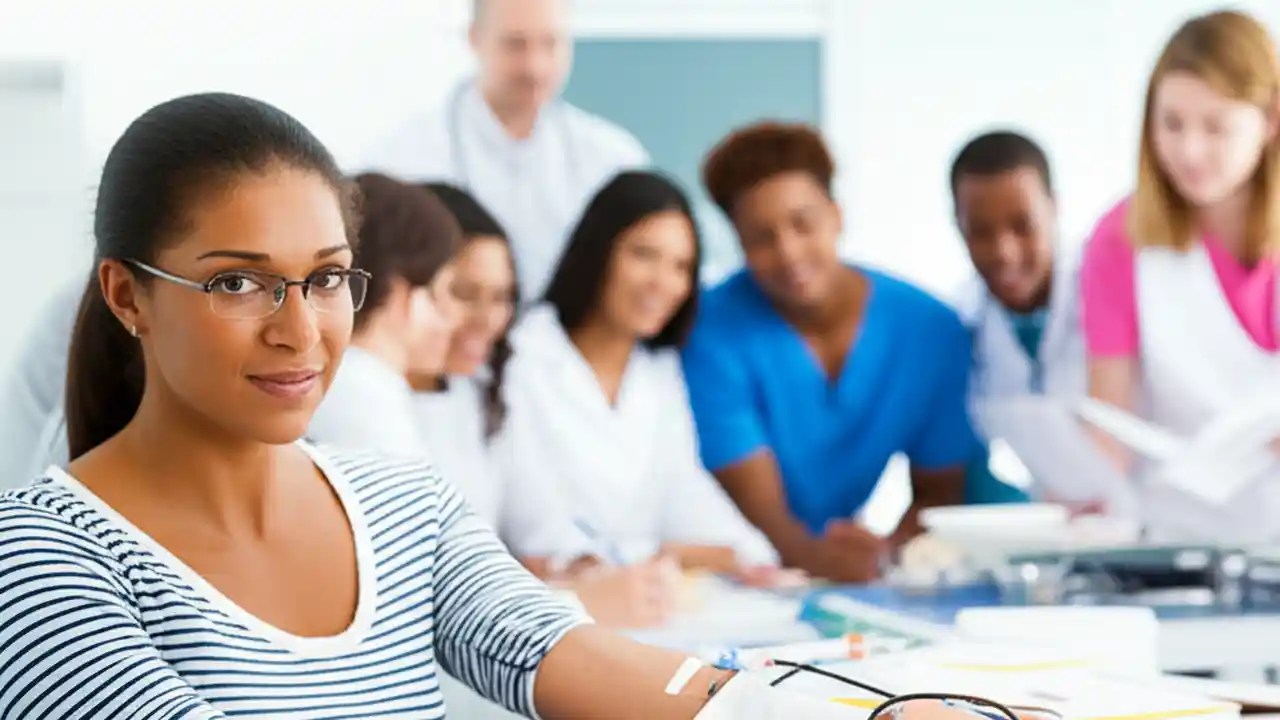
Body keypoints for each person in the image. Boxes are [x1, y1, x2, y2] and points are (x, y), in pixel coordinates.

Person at [0, 91, 933, 719]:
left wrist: (861, 708)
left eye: (326, 280)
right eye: (239, 283)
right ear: (128, 296)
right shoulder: (42, 555)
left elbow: (574, 656)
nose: (301, 330)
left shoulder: (404, 508)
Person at [683, 123, 979, 583]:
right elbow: (772, 526)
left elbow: (937, 493)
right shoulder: (711, 332)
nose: (788, 252)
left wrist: (889, 556)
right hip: (741, 570)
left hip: (847, 571)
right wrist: (835, 562)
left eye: (803, 224)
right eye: (761, 238)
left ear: (837, 216)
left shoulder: (929, 329)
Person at [498, 170, 780, 575]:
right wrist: (668, 554)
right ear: (599, 251)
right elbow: (540, 534)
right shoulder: (522, 359)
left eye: (680, 266)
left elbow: (683, 487)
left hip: (646, 598)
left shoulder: (656, 370)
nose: (662, 282)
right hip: (561, 605)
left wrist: (747, 555)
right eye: (644, 255)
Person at [1079, 10, 1280, 542]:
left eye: (1215, 127)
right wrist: (1084, 496)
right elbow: (1110, 425)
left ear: (1270, 120)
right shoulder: (1118, 240)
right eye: (1172, 123)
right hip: (1175, 543)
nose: (1189, 151)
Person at [363, 0, 648, 299]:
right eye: (515, 44)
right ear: (475, 38)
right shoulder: (402, 158)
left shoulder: (613, 158)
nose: (534, 66)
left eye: (550, 43)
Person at [949, 131, 1084, 504]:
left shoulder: (1107, 299)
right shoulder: (960, 325)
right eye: (980, 231)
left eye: (1022, 225)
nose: (1004, 251)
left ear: (1054, 208)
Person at [307, 174, 463, 458]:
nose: (452, 319)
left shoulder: (335, 381)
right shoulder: (364, 397)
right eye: (438, 294)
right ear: (398, 292)